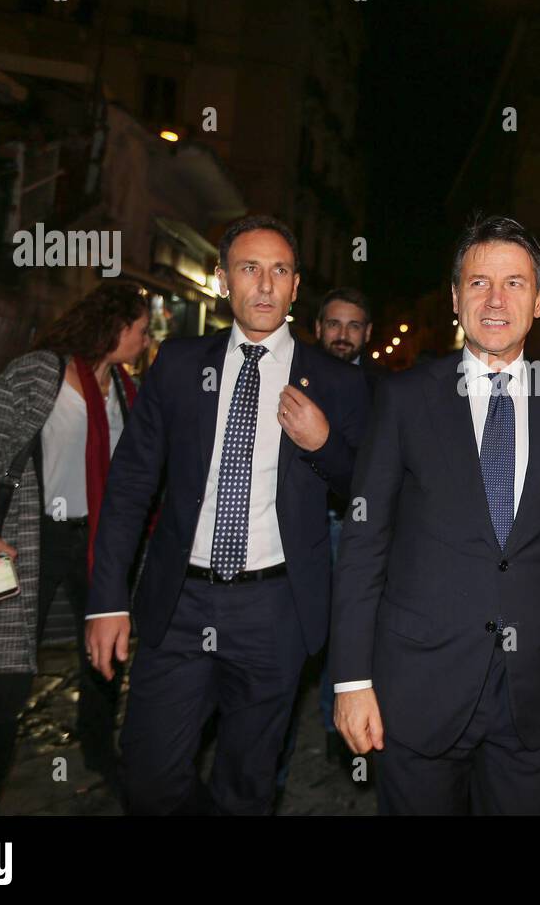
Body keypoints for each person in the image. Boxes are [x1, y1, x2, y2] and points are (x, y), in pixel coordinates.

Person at [330, 213, 540, 814]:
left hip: (536, 694)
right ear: (457, 297)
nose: (495, 299)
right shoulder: (406, 398)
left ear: (539, 300)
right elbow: (364, 545)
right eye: (479, 282)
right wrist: (351, 679)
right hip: (420, 685)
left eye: (514, 283)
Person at [87, 214, 369, 814]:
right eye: (249, 269)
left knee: (248, 785)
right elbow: (131, 483)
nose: (265, 285)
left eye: (280, 271)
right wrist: (108, 597)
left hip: (275, 612)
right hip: (180, 604)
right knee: (149, 777)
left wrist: (324, 446)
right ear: (222, 280)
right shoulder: (181, 365)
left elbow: (366, 493)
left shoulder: (339, 384)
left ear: (296, 288)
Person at [0, 282, 151, 815]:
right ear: (116, 326)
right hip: (22, 542)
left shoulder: (126, 392)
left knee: (107, 655)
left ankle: (99, 749)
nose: (146, 338)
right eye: (142, 327)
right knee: (5, 675)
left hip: (95, 544)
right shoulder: (37, 373)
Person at [275, 287, 385, 793]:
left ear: (367, 333)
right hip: (287, 535)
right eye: (334, 324)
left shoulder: (381, 389)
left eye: (354, 325)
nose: (343, 334)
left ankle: (335, 734)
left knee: (343, 634)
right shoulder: (288, 374)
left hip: (348, 531)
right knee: (289, 640)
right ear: (317, 327)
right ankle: (272, 756)